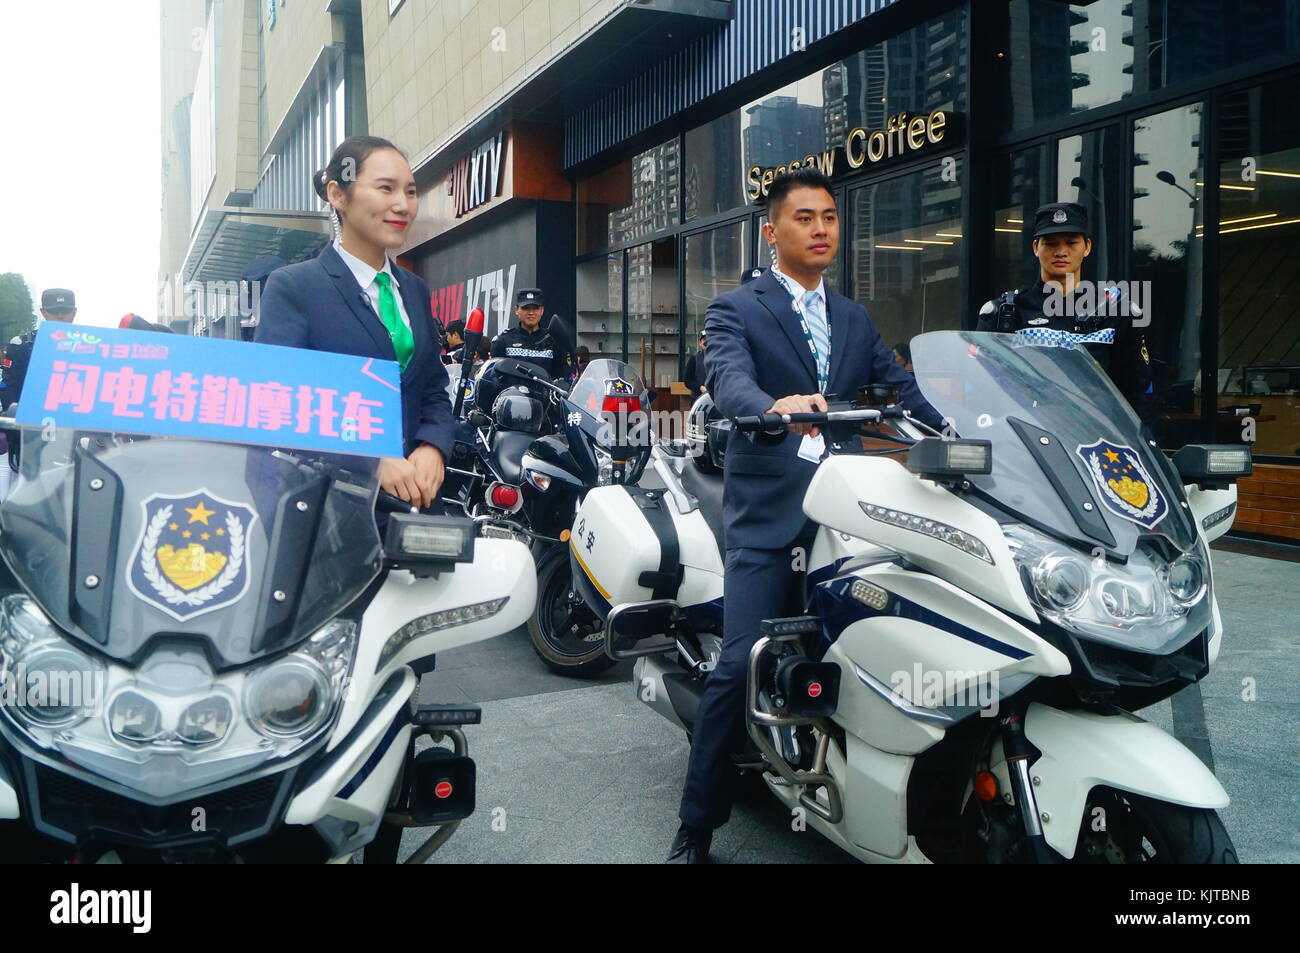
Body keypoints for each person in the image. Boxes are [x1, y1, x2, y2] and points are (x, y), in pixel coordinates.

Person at [667, 167, 940, 863]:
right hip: (770, 512)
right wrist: (770, 406)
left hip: (852, 510)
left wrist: (966, 435)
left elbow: (903, 390)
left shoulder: (852, 317)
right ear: (772, 231)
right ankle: (695, 826)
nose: (820, 229)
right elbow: (725, 376)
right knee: (739, 661)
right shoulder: (738, 308)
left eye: (829, 217)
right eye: (804, 218)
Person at [255, 135, 453, 509]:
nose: (403, 205)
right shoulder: (295, 287)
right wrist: (371, 460)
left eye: (410, 192)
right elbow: (280, 401)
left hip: (416, 508)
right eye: (385, 188)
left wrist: (432, 446)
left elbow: (432, 387)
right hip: (331, 511)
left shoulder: (414, 290)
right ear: (338, 194)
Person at [977, 201, 1152, 419]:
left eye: (1071, 243)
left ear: (1087, 247)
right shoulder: (1005, 312)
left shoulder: (1116, 311)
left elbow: (1138, 392)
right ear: (1035, 248)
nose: (1061, 252)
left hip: (1099, 440)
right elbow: (984, 388)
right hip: (1027, 438)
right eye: (1050, 243)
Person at [490, 288, 572, 380]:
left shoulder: (554, 341)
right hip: (511, 393)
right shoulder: (503, 341)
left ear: (542, 310)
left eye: (535, 308)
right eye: (526, 308)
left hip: (544, 393)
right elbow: (494, 377)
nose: (531, 313)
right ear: (516, 310)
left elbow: (563, 379)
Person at [683, 331, 708, 398]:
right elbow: (687, 380)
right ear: (700, 343)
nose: (707, 342)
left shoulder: (719, 359)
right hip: (698, 399)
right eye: (704, 339)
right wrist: (700, 387)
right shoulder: (694, 358)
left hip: (717, 400)